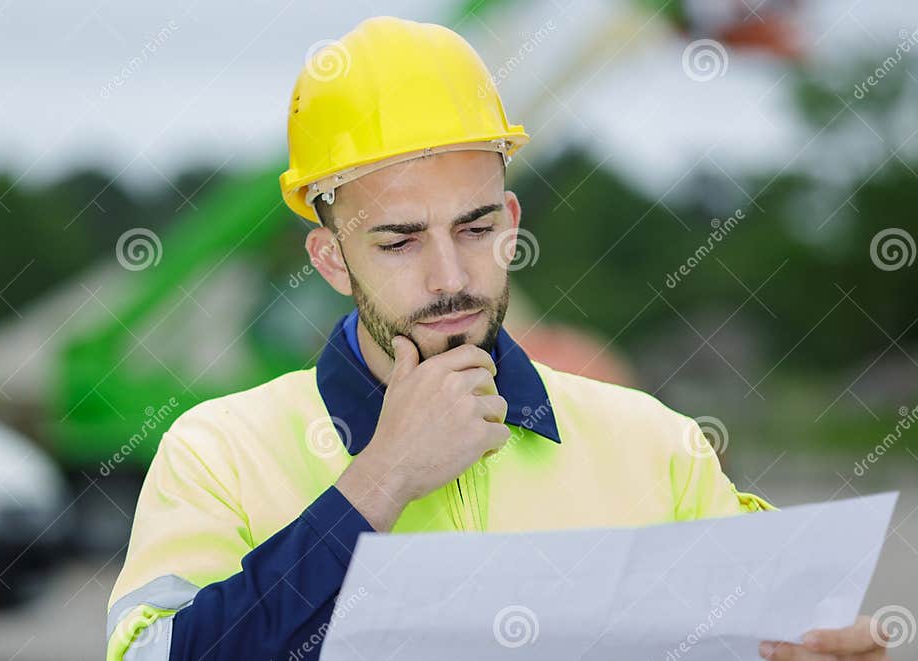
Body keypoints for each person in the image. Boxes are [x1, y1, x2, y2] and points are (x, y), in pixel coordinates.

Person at [106, 15, 887, 661]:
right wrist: (377, 482)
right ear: (331, 258)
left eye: (474, 227)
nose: (451, 276)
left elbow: (774, 633)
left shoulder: (658, 447)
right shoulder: (218, 453)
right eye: (400, 240)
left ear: (511, 227)